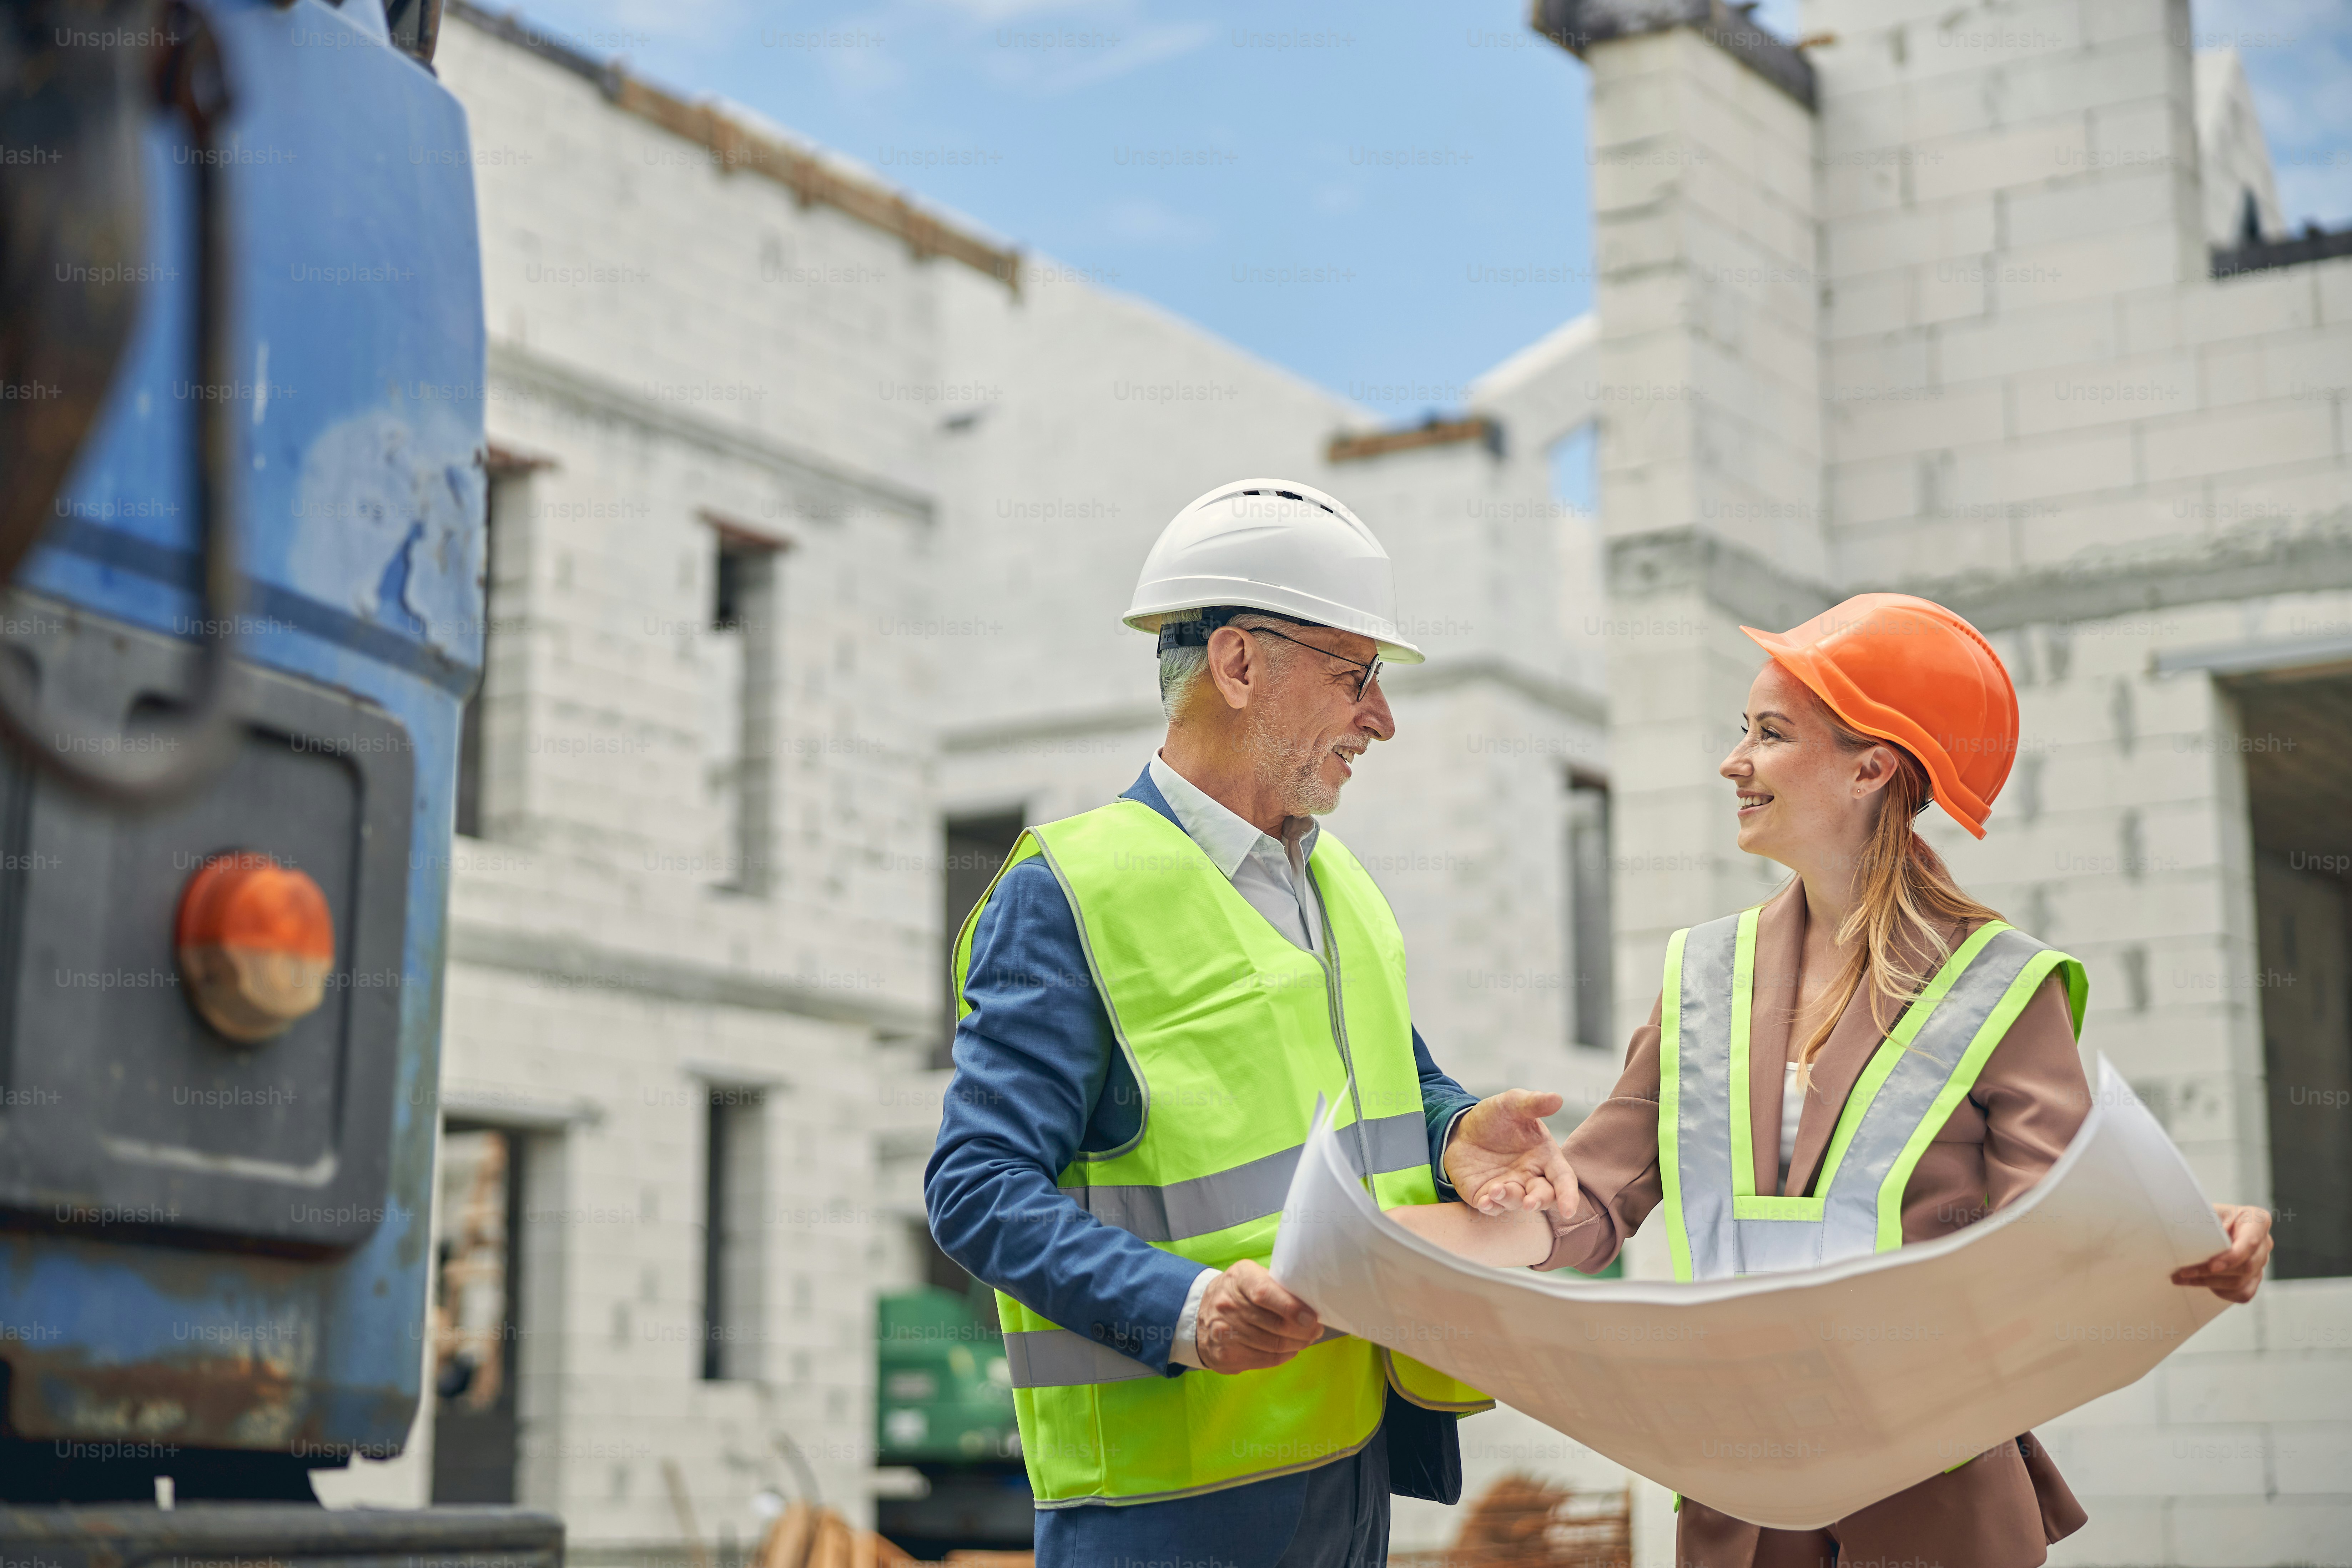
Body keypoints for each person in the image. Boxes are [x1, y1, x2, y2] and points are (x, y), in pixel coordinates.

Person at [1530, 593, 2275, 1568]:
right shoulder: (1704, 980)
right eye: (1740, 731)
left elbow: (2066, 1239)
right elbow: (1585, 1211)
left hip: (1936, 1511)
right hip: (1745, 1512)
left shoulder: (2003, 987)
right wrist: (1508, 1189)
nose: (1734, 761)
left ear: (1871, 767)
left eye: (1768, 733)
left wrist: (2189, 1233)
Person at [924, 479, 1578, 1568]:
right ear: (1238, 666)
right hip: (1164, 1511)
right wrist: (1189, 1309)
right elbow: (976, 1186)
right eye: (1355, 674)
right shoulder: (1071, 890)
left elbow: (1383, 1085)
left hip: (1348, 1464)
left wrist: (1457, 1128)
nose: (1382, 717)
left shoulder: (1339, 886)